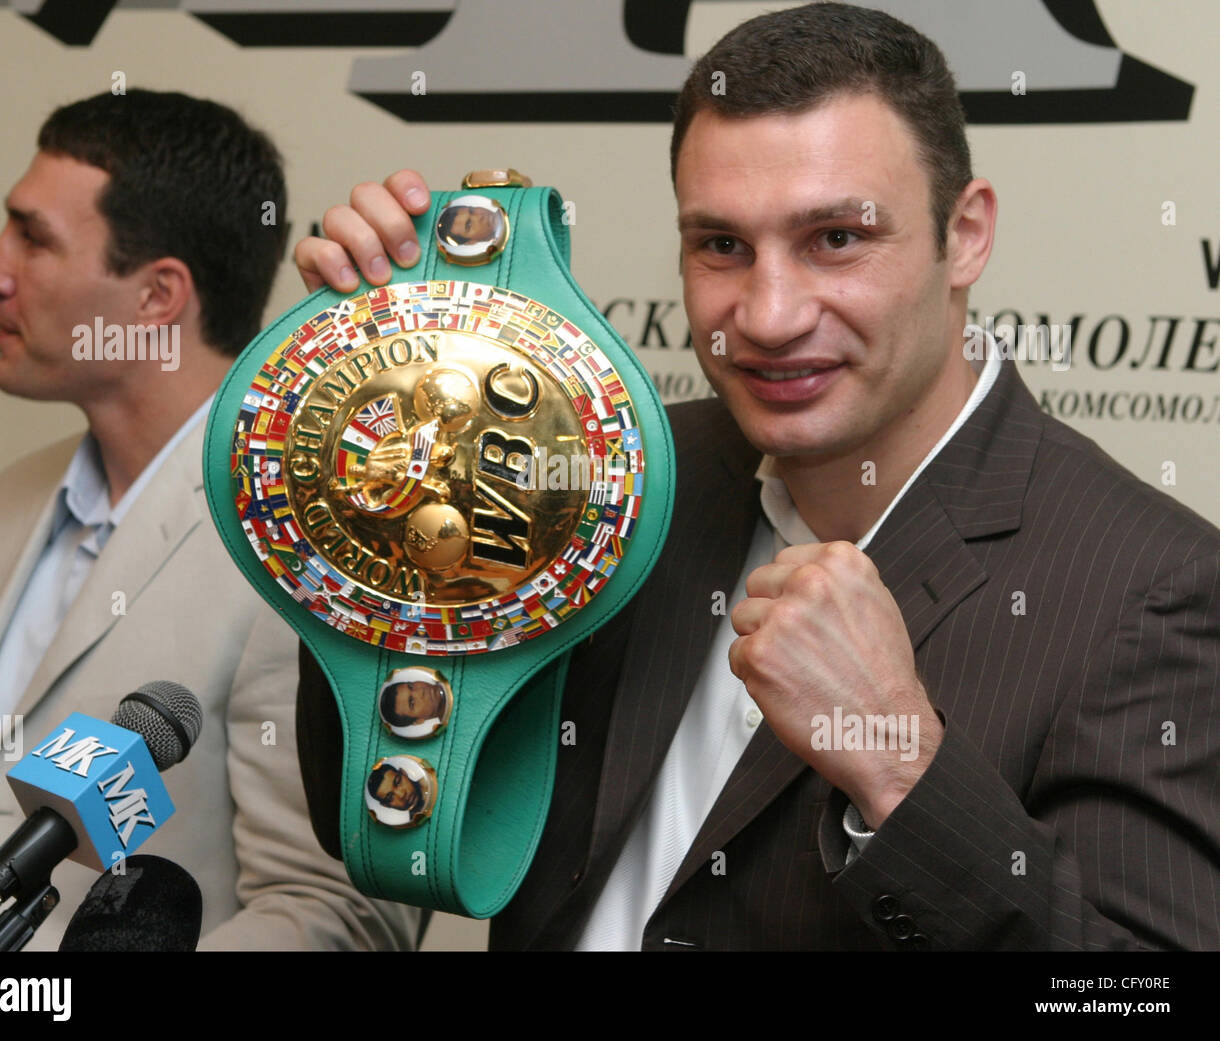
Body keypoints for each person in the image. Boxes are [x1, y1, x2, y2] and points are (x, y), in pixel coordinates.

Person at [291, 2, 1220, 949]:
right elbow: (385, 813)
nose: (769, 316)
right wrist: (370, 424)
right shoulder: (609, 473)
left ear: (966, 233)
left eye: (837, 240)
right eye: (723, 246)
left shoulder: (1151, 590)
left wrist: (900, 768)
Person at [0, 89, 419, 950]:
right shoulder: (15, 492)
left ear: (157, 298)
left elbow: (338, 911)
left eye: (32, 238)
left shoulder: (305, 538)